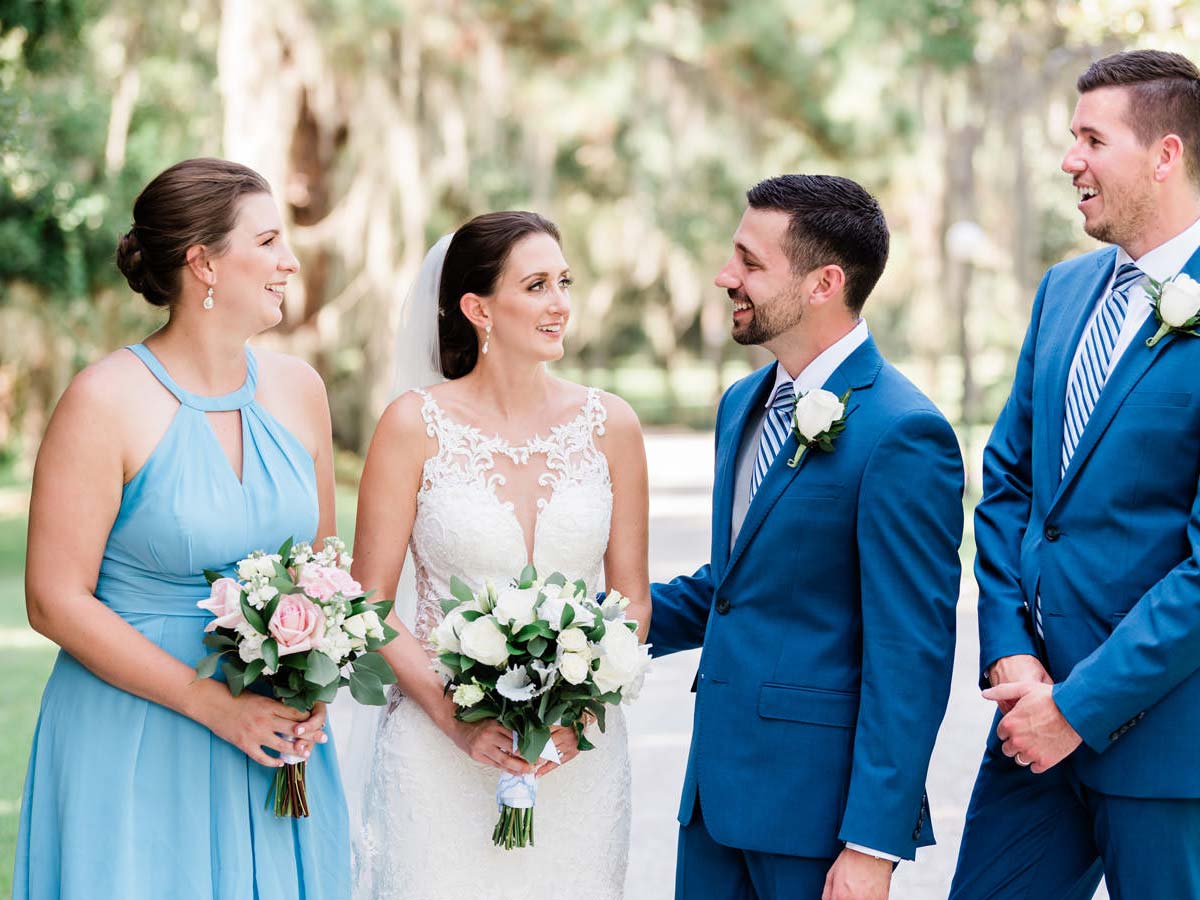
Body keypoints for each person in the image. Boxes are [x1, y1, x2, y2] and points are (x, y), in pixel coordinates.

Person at [12, 158, 348, 900]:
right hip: (134, 727)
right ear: (204, 264)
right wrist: (209, 704)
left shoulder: (299, 391)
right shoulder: (103, 400)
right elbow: (53, 599)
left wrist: (316, 678)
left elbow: (325, 568)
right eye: (266, 242)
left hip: (272, 732)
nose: (289, 260)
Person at [649, 174, 964, 900]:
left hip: (815, 822)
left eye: (750, 263)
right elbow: (738, 589)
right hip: (713, 801)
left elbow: (909, 654)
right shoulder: (742, 403)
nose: (727, 277)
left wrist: (873, 844)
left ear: (824, 282)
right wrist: (591, 626)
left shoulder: (902, 433)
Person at [949, 50, 1200, 900]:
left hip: (1165, 746)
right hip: (1029, 724)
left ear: (1165, 156)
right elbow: (1011, 487)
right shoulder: (1063, 290)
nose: (1069, 161)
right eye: (1070, 138)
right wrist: (1010, 650)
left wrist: (1079, 708)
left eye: (1092, 139)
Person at [347, 211, 650, 899]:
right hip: (436, 753)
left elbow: (631, 597)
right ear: (478, 307)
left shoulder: (612, 426)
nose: (560, 304)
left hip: (576, 759)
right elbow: (369, 599)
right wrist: (455, 720)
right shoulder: (412, 425)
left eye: (564, 282)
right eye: (537, 285)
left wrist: (583, 711)